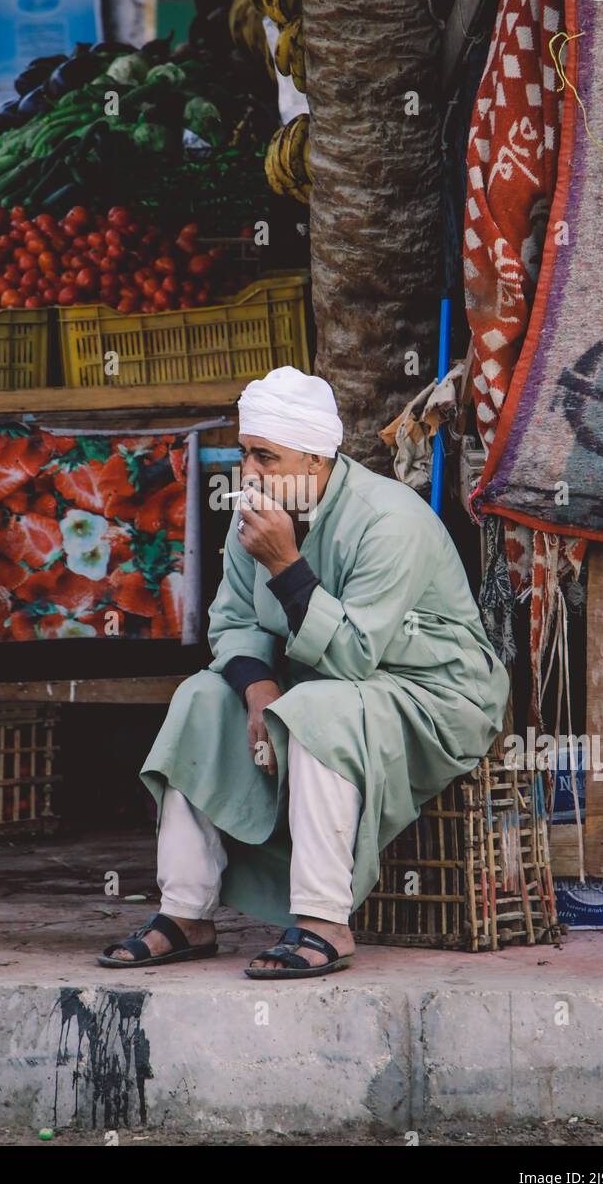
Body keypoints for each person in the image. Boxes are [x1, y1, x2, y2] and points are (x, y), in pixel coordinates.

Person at [97, 366, 509, 978]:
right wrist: (260, 690)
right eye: (245, 455)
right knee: (202, 697)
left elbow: (354, 658)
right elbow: (232, 625)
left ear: (316, 460)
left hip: (433, 695)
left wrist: (287, 565)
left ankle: (323, 921)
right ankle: (185, 913)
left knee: (315, 710)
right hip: (324, 684)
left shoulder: (388, 519)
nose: (250, 473)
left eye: (266, 456)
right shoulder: (257, 516)